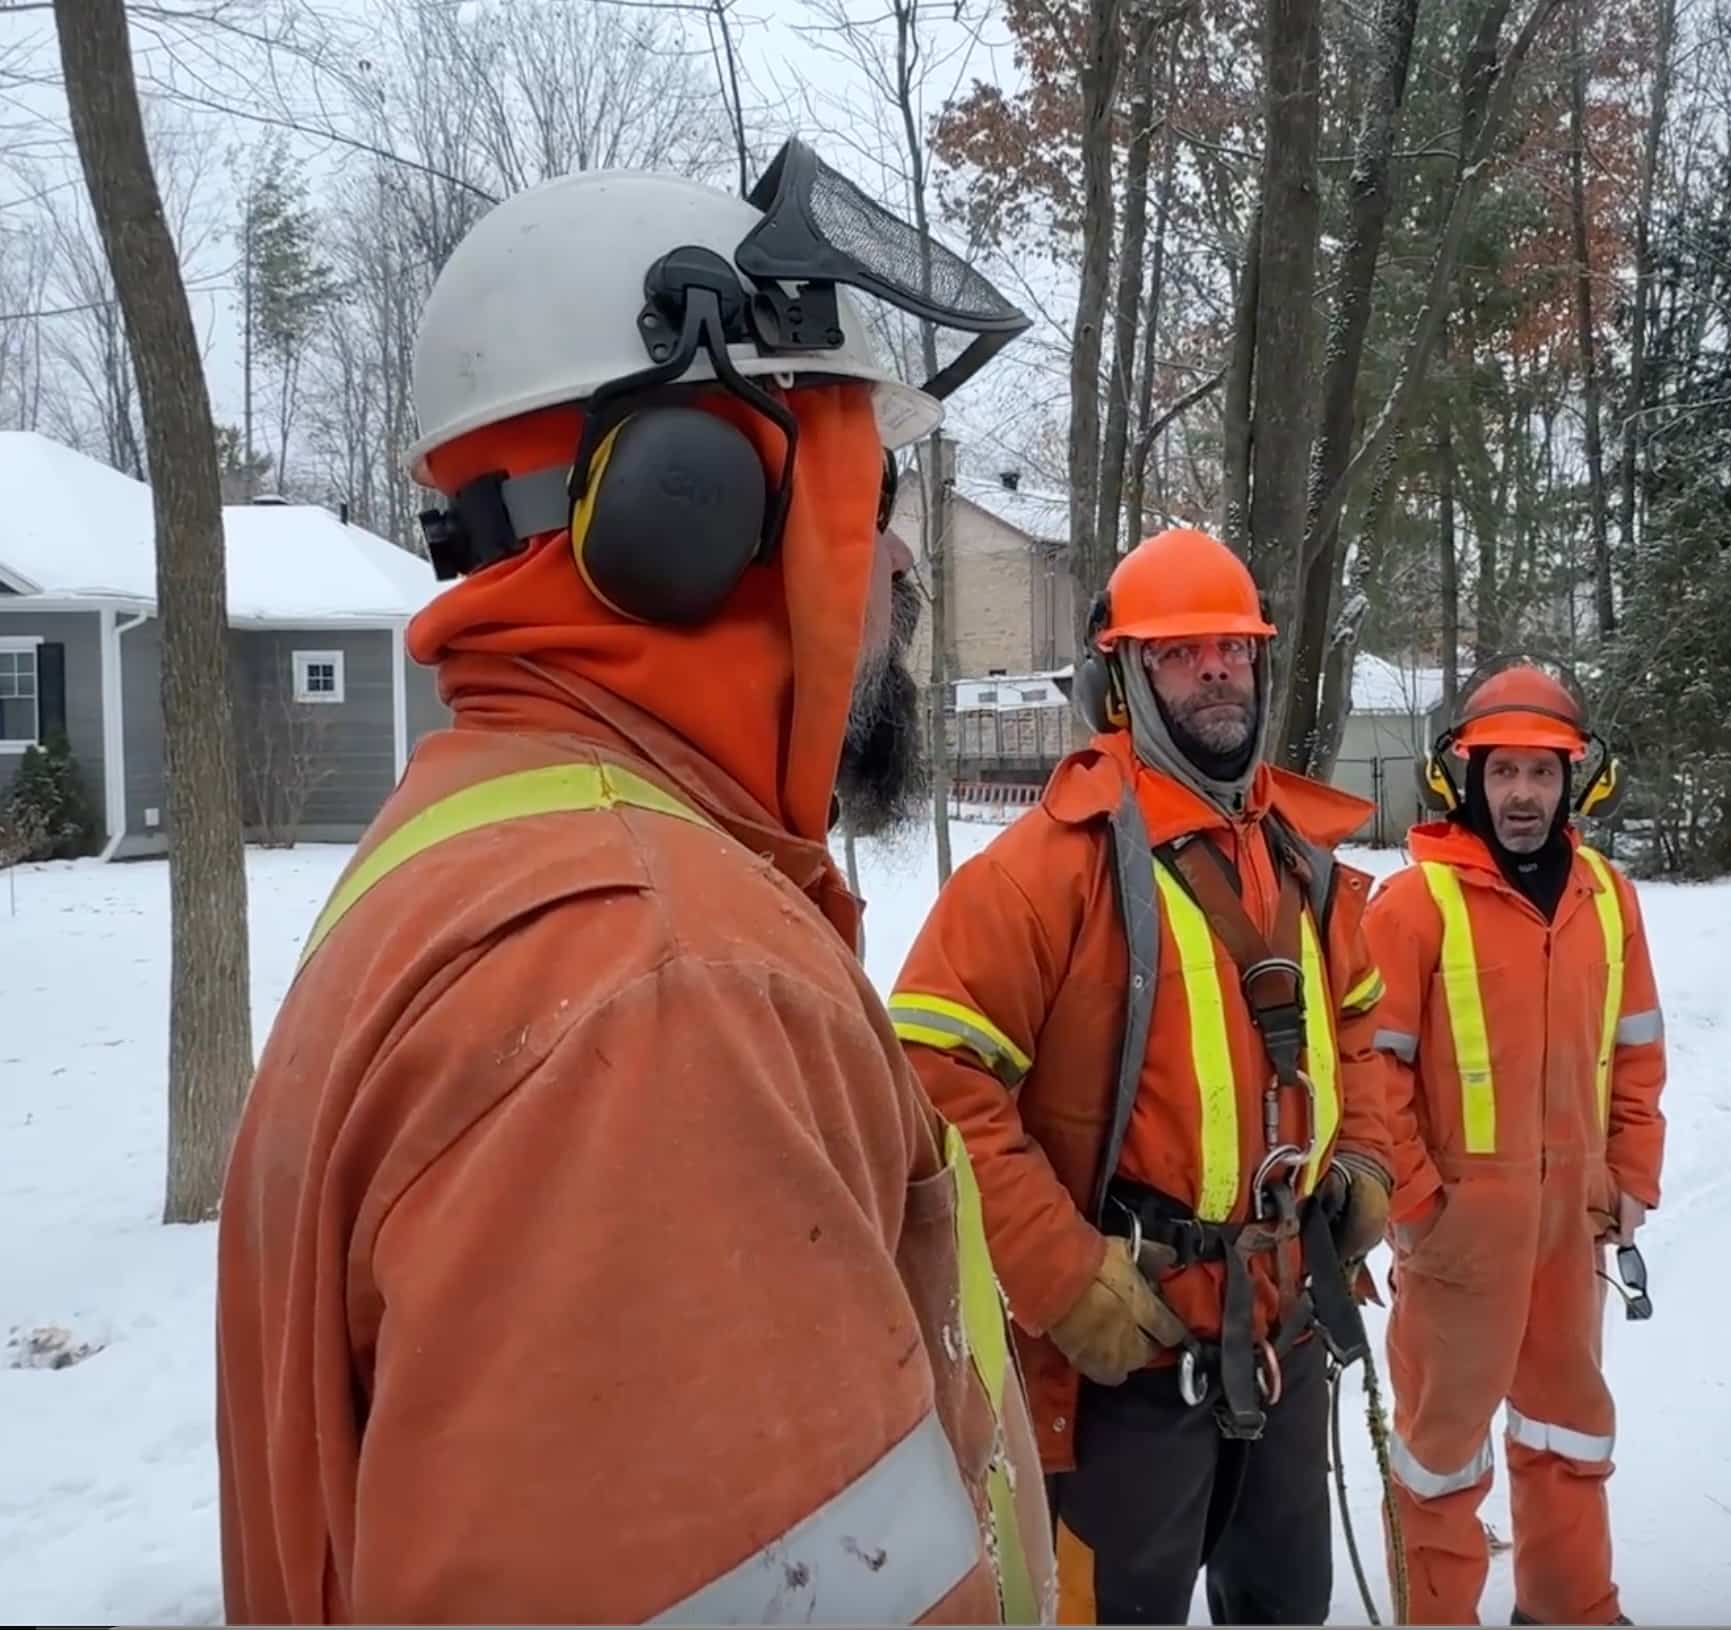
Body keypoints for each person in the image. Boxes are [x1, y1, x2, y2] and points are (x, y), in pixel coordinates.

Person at [213, 143, 1055, 1624]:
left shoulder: (492, 840)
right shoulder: (656, 995)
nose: (900, 556)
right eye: (871, 485)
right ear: (694, 505)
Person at [888, 525, 1401, 1625]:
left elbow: (1356, 1018)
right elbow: (931, 1074)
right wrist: (1062, 1273)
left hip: (1286, 1324)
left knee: (1284, 1603)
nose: (1217, 669)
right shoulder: (1049, 868)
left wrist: (1361, 1154)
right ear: (1121, 676)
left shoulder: (1299, 855)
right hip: (1132, 1355)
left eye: (1233, 647)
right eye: (1179, 651)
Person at [1359, 657, 1668, 1627]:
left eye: (1543, 771)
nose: (1524, 794)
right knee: (1438, 1455)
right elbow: (1372, 1075)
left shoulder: (1610, 901)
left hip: (1570, 1228)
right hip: (1458, 1236)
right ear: (1468, 779)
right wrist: (1416, 1205)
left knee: (1569, 1431)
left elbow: (1637, 1055)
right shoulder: (1414, 904)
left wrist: (1630, 1176)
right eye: (1505, 772)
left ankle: (1572, 1605)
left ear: (1576, 779)